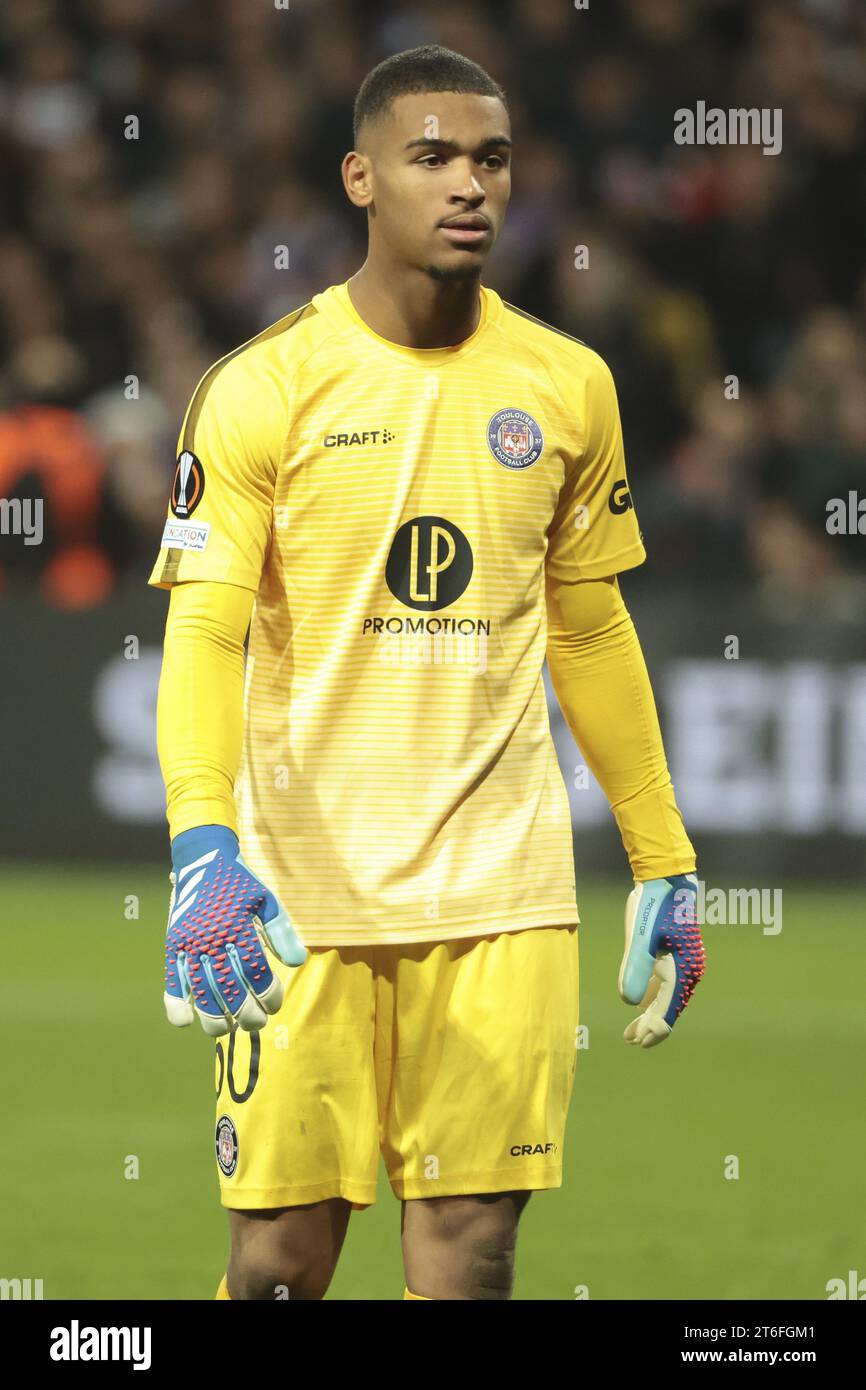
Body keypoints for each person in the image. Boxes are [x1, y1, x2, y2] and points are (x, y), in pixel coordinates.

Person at [149, 44, 704, 1302]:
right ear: (360, 177)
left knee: (469, 1258)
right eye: (433, 156)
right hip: (299, 900)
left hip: (502, 893)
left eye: (492, 159)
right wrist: (199, 839)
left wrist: (663, 854)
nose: (469, 185)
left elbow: (590, 630)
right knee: (280, 1262)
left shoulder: (568, 384)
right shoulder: (259, 390)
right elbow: (208, 628)